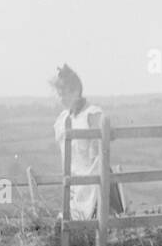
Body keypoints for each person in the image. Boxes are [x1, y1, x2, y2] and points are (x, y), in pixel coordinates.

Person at [51, 65, 125, 218]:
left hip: (95, 183)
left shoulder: (92, 114)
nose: (60, 99)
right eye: (58, 94)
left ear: (76, 91)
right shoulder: (63, 119)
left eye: (64, 94)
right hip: (74, 183)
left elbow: (103, 146)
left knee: (98, 220)